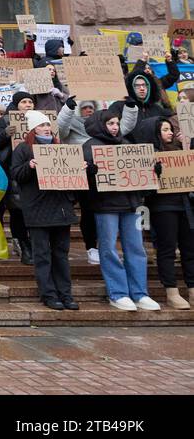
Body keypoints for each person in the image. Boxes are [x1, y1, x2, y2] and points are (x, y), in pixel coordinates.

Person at [83, 108, 159, 312]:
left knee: (137, 249)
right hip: (105, 205)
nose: (115, 127)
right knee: (108, 249)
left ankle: (140, 292)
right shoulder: (90, 147)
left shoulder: (127, 144)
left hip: (132, 204)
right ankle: (118, 292)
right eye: (110, 124)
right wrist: (90, 172)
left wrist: (152, 171)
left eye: (117, 123)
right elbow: (83, 182)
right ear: (101, 125)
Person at [9, 110, 79, 311]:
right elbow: (15, 174)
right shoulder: (23, 150)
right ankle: (48, 294)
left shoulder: (61, 149)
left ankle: (66, 294)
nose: (47, 129)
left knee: (61, 255)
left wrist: (83, 168)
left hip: (61, 210)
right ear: (33, 129)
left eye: (48, 125)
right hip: (38, 210)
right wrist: (29, 166)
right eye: (42, 126)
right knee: (42, 255)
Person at [136, 114, 193, 309]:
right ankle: (172, 291)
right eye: (165, 130)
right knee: (167, 249)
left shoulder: (182, 151)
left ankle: (192, 289)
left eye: (171, 129)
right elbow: (144, 189)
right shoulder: (150, 156)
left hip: (185, 205)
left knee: (189, 249)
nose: (170, 133)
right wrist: (155, 173)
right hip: (163, 207)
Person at [57, 96, 102, 264]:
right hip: (77, 173)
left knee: (95, 212)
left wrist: (131, 108)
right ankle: (90, 247)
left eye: (92, 107)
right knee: (81, 210)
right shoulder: (72, 123)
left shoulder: (102, 126)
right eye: (85, 108)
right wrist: (68, 108)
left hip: (98, 175)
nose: (89, 110)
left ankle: (99, 247)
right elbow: (60, 130)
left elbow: (123, 128)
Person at [0, 104, 31, 265]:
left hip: (16, 177)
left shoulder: (29, 125)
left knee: (17, 212)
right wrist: (5, 134)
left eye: (1, 113)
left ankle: (23, 245)